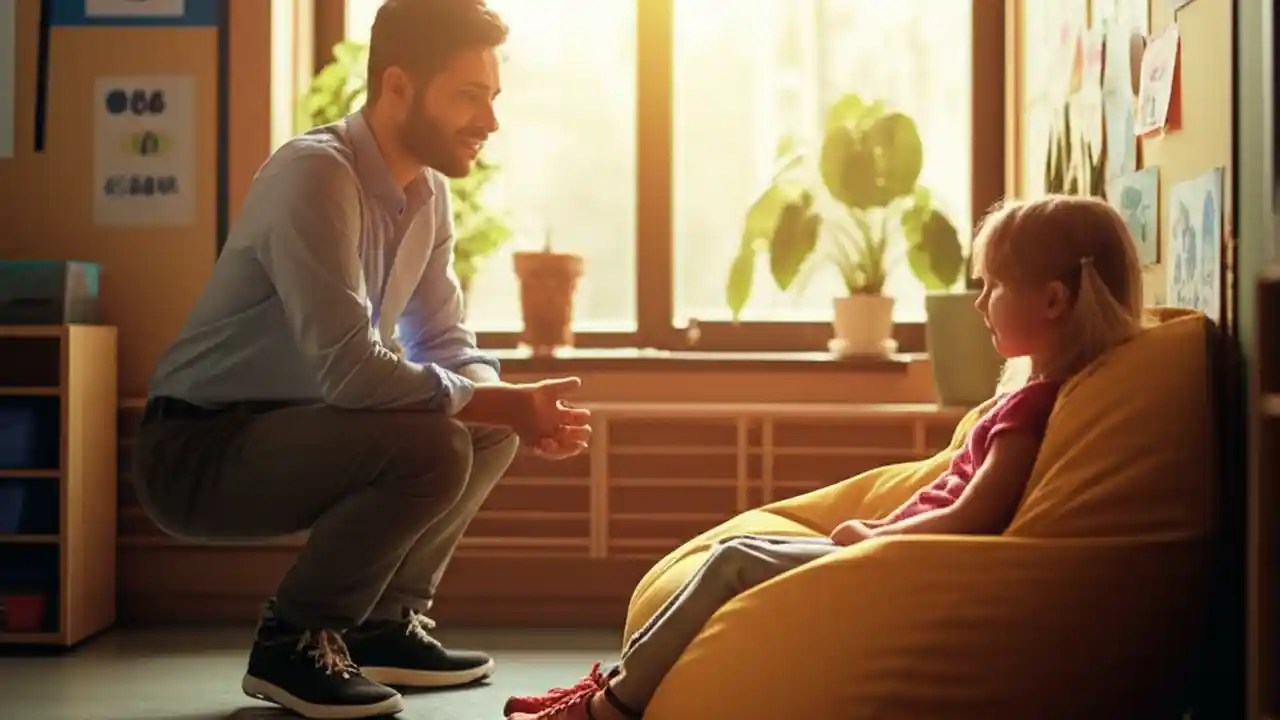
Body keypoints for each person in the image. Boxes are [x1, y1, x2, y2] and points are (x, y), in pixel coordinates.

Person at [502, 194, 1149, 720]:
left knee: (733, 560)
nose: (980, 303)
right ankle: (611, 689)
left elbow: (978, 512)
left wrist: (877, 534)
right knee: (738, 556)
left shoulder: (1030, 410)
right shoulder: (1037, 396)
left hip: (899, 563)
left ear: (1055, 302)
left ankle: (608, 709)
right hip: (893, 552)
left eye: (994, 287)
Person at [132, 1, 592, 718]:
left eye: (493, 97)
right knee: (436, 442)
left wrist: (506, 403)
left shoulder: (427, 194)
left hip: (301, 429)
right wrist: (500, 399)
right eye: (469, 95)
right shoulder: (315, 175)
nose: (489, 122)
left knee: (487, 424)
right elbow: (350, 369)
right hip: (197, 450)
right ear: (399, 87)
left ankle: (382, 624)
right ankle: (293, 642)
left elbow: (442, 344)